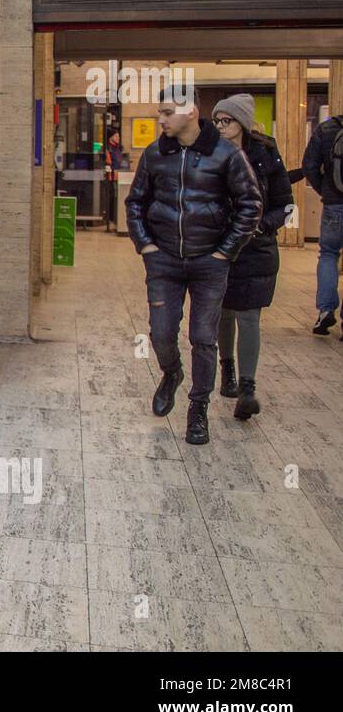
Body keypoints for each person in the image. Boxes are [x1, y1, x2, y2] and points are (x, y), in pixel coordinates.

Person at [125, 88, 262, 445]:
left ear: (190, 112)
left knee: (203, 339)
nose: (161, 119)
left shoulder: (226, 154)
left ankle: (197, 409)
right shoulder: (155, 154)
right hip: (164, 261)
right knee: (161, 332)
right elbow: (135, 202)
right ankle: (171, 373)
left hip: (209, 263)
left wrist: (224, 252)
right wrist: (147, 246)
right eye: (160, 112)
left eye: (168, 112)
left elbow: (251, 205)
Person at [210, 94, 292, 421]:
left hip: (257, 250)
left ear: (241, 122)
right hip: (222, 247)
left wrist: (263, 227)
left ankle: (247, 388)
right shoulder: (209, 154)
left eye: (225, 120)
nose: (219, 126)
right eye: (216, 121)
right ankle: (226, 370)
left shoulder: (266, 153)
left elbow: (284, 202)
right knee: (224, 312)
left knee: (249, 315)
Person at [301, 112, 343, 336]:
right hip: (333, 200)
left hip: (333, 205)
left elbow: (309, 166)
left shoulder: (326, 129)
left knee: (328, 254)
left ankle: (325, 311)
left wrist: (325, 191)